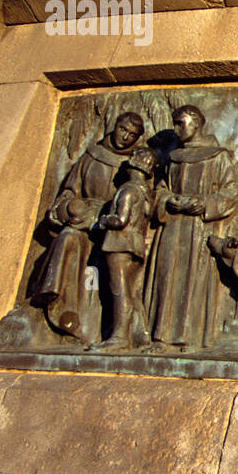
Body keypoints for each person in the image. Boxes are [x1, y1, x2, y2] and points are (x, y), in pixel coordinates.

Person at [32, 112, 144, 344]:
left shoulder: (135, 165)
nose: (125, 137)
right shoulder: (91, 156)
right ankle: (57, 304)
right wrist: (69, 208)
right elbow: (70, 191)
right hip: (83, 222)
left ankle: (100, 330)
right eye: (123, 129)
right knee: (67, 237)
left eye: (132, 135)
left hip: (112, 230)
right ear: (115, 126)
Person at [144, 105, 238, 349]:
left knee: (194, 280)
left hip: (199, 229)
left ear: (197, 124)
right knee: (165, 278)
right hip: (172, 227)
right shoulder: (174, 158)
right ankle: (159, 336)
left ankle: (189, 337)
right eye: (175, 123)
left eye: (182, 123)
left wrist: (203, 203)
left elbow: (232, 191)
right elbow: (161, 188)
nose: (177, 129)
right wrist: (168, 200)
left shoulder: (217, 156)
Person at [95, 146, 157, 350]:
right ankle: (139, 335)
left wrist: (103, 220)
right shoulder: (146, 192)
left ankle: (119, 337)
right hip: (137, 245)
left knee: (119, 290)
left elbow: (120, 219)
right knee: (132, 292)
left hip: (120, 245)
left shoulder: (128, 189)